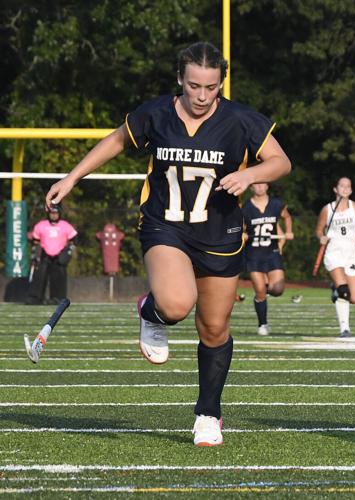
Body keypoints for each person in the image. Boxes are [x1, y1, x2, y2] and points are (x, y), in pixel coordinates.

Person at [44, 42, 292, 447]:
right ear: (180, 79)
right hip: (166, 227)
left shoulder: (242, 120)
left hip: (220, 234)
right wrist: (72, 178)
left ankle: (208, 412)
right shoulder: (156, 113)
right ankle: (153, 311)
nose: (201, 95)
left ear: (221, 84)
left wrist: (250, 175)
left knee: (214, 328)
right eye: (194, 85)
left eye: (211, 87)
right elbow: (116, 141)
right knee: (177, 304)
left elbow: (281, 161)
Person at [315, 177, 355, 338]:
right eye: (342, 186)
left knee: (354, 299)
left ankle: (335, 290)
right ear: (336, 189)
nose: (345, 189)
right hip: (334, 254)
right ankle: (345, 329)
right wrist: (321, 237)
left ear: (351, 190)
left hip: (352, 255)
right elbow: (319, 229)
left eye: (348, 186)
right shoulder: (327, 209)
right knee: (344, 291)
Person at [242, 182, 293, 336]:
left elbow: (287, 216)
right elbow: (238, 226)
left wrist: (288, 232)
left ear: (267, 186)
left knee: (277, 289)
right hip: (254, 254)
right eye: (256, 185)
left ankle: (265, 291)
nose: (260, 187)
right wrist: (242, 234)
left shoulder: (276, 204)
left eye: (262, 184)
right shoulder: (246, 208)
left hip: (272, 252)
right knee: (260, 292)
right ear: (251, 188)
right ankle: (262, 324)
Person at [26, 204, 77, 305]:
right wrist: (35, 253)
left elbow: (73, 239)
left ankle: (57, 298)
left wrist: (68, 251)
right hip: (44, 255)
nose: (53, 216)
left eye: (55, 214)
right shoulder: (41, 225)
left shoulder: (65, 225)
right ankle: (36, 298)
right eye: (51, 213)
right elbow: (36, 241)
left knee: (58, 277)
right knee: (39, 276)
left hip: (59, 256)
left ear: (59, 214)